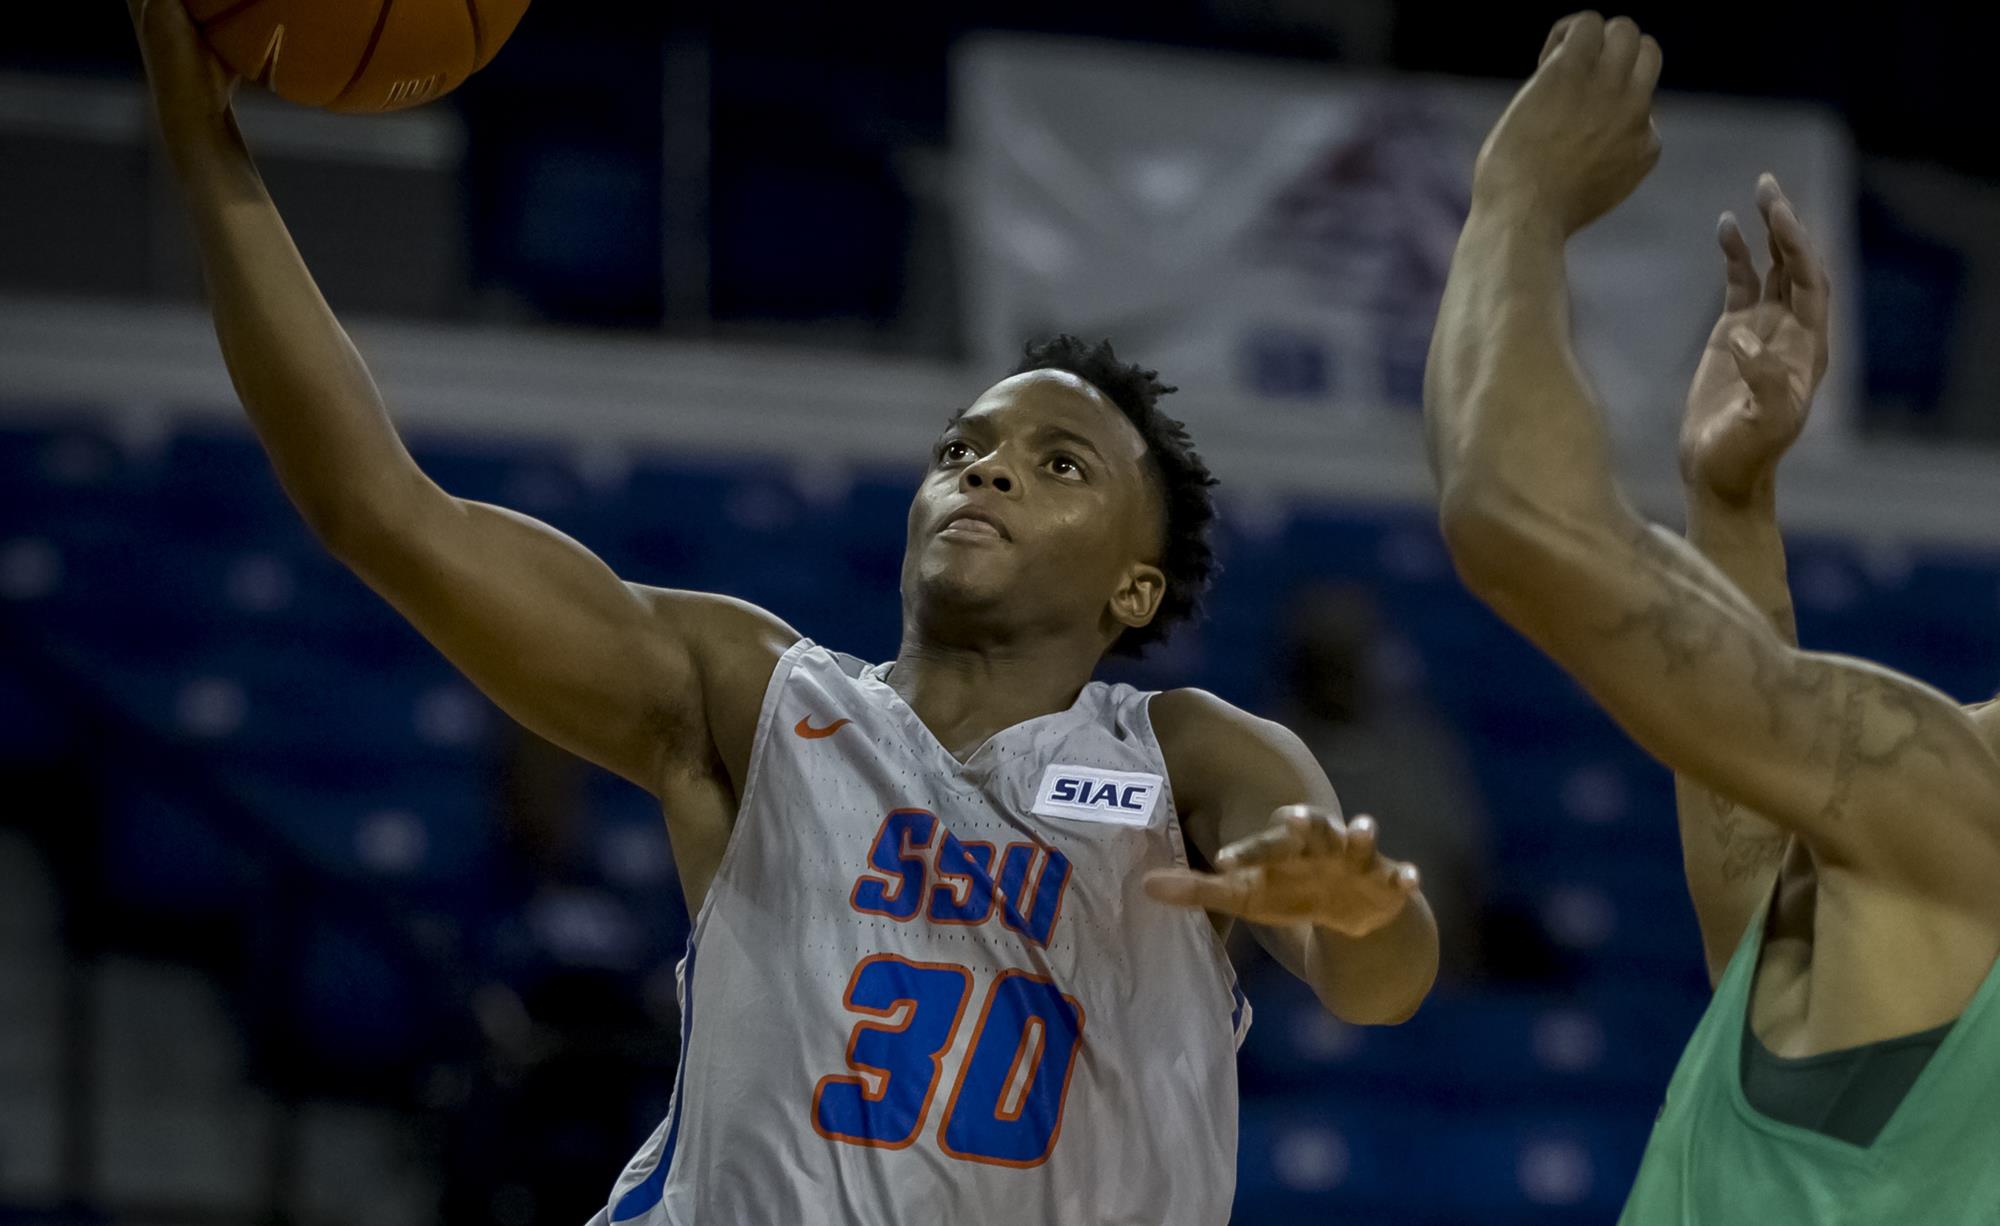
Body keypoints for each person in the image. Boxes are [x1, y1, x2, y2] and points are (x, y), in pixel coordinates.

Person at [125, 3, 1440, 1223]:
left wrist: (1364, 913)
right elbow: (380, 510)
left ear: (1135, 586)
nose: (984, 467)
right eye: (964, 444)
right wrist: (205, 146)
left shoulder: (1188, 753)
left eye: (1059, 464)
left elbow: (1379, 986)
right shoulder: (760, 701)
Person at [1424, 13, 2000, 1221]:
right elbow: (1763, 930)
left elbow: (1510, 516)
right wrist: (1729, 507)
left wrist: (1515, 201)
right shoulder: (1926, 847)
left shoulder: (1946, 800)